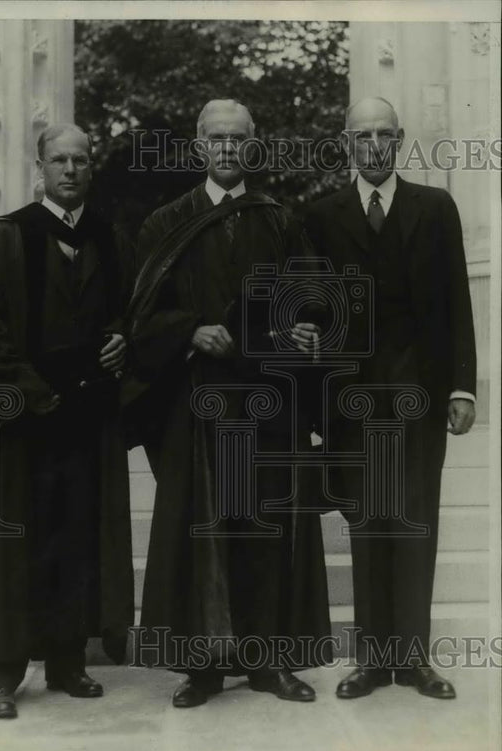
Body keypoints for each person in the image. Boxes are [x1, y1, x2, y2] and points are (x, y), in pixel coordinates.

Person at [123, 99, 332, 708]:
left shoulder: (280, 220)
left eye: (238, 138)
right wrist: (189, 330)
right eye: (216, 138)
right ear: (198, 145)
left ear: (253, 145)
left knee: (268, 529)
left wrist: (309, 327)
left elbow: (314, 298)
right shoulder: (166, 223)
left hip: (269, 402)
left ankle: (272, 663)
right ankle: (204, 669)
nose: (227, 147)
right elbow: (140, 315)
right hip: (197, 404)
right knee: (203, 529)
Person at [0, 123, 134, 719]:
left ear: (91, 166)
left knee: (75, 534)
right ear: (39, 168)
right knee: (10, 541)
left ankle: (67, 660)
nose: (70, 170)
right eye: (58, 160)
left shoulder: (109, 237)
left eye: (80, 159)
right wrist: (31, 387)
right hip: (19, 415)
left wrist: (124, 339)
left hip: (86, 415)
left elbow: (129, 311)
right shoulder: (5, 235)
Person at [305, 97, 476, 700]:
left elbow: (458, 298)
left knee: (415, 521)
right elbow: (310, 308)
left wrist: (462, 386)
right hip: (351, 402)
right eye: (362, 136)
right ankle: (372, 661)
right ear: (346, 142)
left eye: (384, 135)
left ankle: (415, 659)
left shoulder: (436, 207)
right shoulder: (321, 215)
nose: (374, 145)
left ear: (399, 140)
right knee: (368, 525)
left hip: (419, 397)